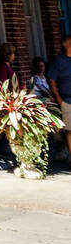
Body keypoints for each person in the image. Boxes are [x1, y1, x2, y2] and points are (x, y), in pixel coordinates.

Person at [48, 33, 71, 162]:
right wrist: (59, 99)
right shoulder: (59, 62)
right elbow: (52, 80)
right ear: (66, 45)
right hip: (67, 100)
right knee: (70, 131)